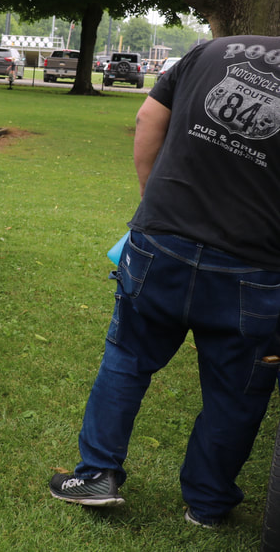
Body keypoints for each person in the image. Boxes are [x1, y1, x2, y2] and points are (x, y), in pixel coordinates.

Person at [49, 36, 280, 529]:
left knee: (127, 358)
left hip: (161, 243)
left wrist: (152, 205)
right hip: (255, 266)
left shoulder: (212, 50)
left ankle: (97, 474)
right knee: (237, 390)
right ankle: (208, 503)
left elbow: (148, 118)